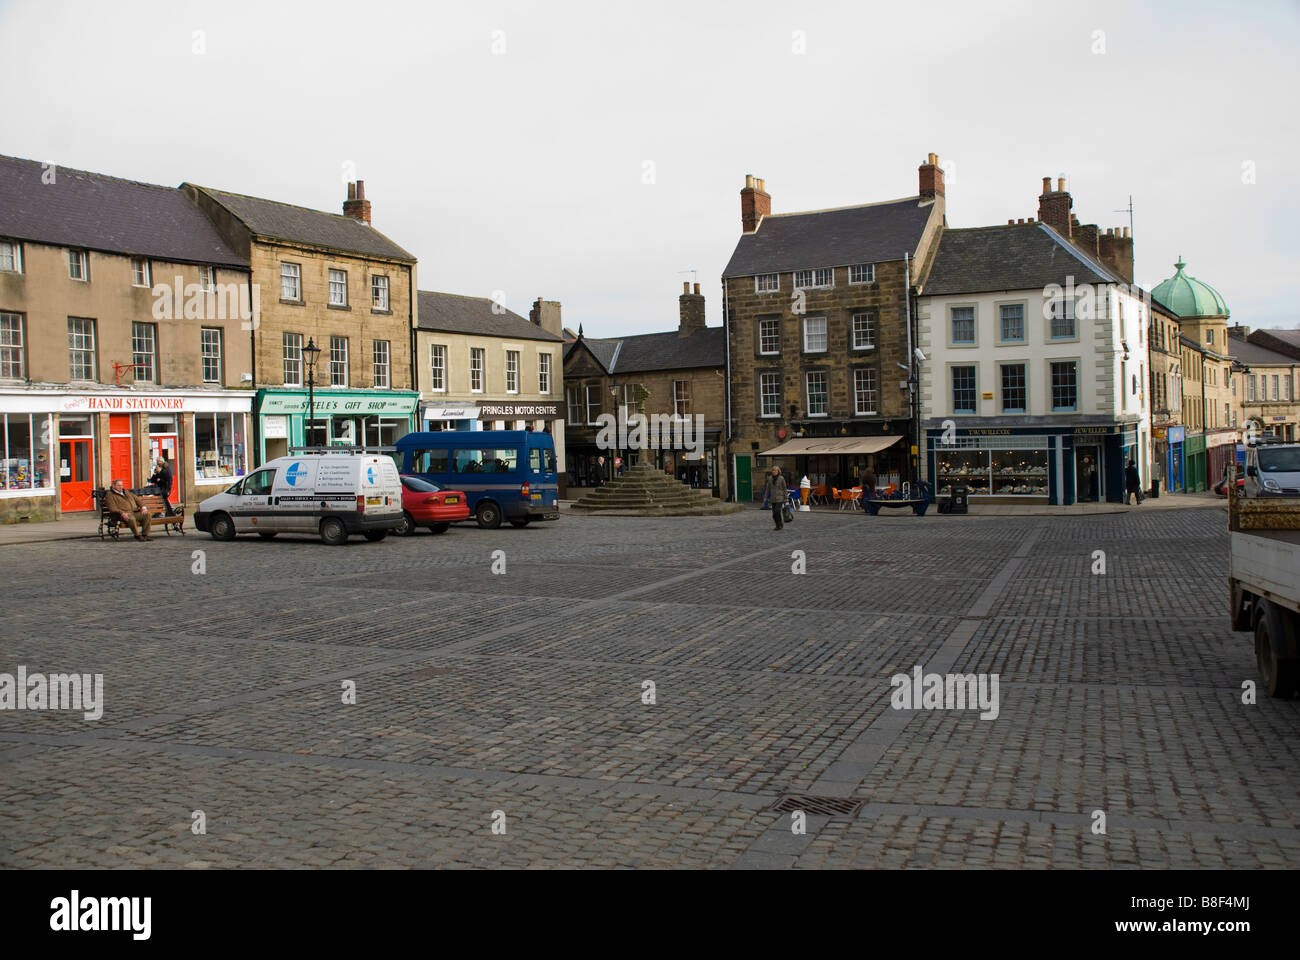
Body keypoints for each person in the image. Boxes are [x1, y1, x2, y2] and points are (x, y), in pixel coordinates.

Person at [762, 464, 789, 530]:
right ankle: (778, 525)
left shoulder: (781, 478)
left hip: (780, 498)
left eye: (774, 470)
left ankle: (779, 525)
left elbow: (784, 488)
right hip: (773, 498)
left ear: (778, 471)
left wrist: (786, 498)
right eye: (772, 470)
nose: (773, 471)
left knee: (777, 511)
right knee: (774, 514)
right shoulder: (770, 478)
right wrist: (765, 498)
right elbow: (768, 489)